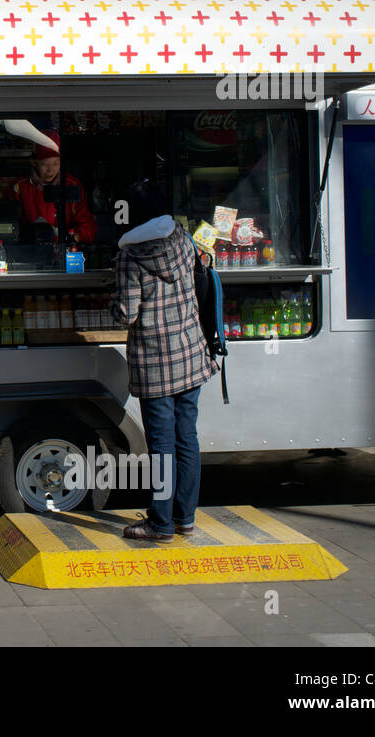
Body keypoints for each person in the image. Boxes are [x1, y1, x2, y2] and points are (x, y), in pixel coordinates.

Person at [112, 186, 218, 543]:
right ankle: (184, 519)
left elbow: (126, 315)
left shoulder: (130, 258)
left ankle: (160, 524)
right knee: (187, 438)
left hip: (156, 364)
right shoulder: (183, 240)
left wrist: (111, 302)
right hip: (190, 354)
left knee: (161, 445)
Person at [12, 129, 98, 244]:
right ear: (34, 162)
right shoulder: (20, 187)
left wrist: (74, 237)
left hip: (64, 250)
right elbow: (10, 224)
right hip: (30, 250)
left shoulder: (71, 184)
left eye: (56, 163)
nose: (50, 170)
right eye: (44, 164)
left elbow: (87, 224)